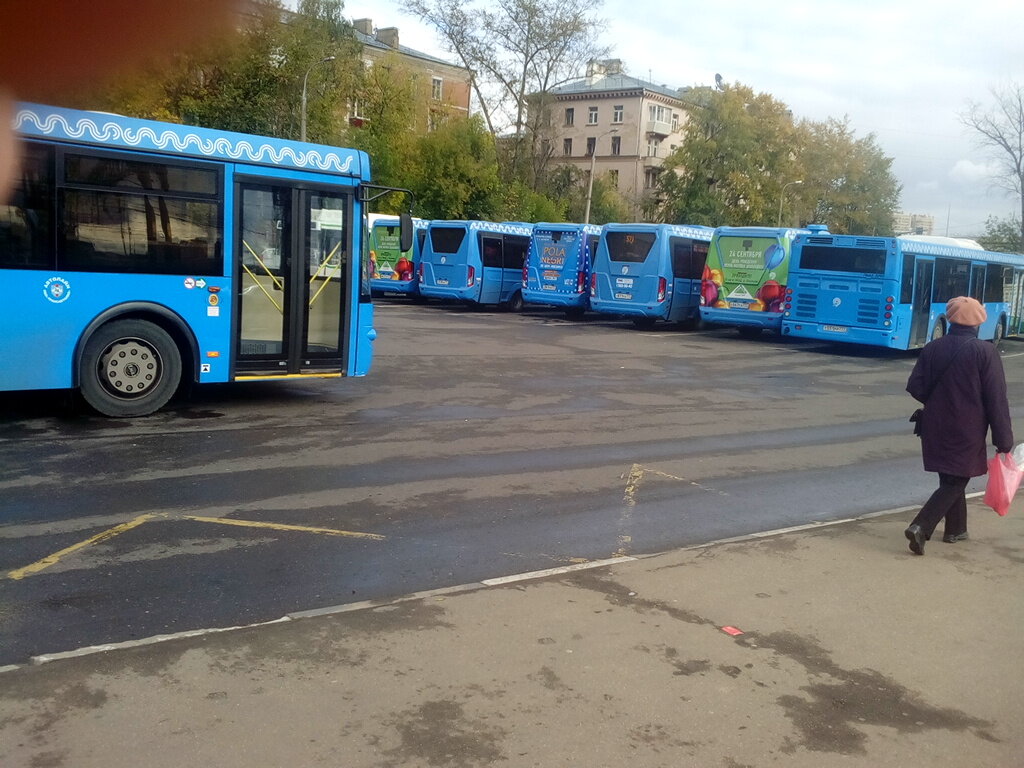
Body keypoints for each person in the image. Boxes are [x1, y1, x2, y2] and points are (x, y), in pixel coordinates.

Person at [904, 296, 1014, 555]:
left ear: (951, 319)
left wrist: (938, 402)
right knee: (957, 479)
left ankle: (956, 529)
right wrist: (1004, 440)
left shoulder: (933, 347)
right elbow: (996, 399)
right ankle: (921, 526)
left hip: (934, 424)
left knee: (950, 475)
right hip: (967, 428)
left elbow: (915, 386)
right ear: (979, 322)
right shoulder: (985, 352)